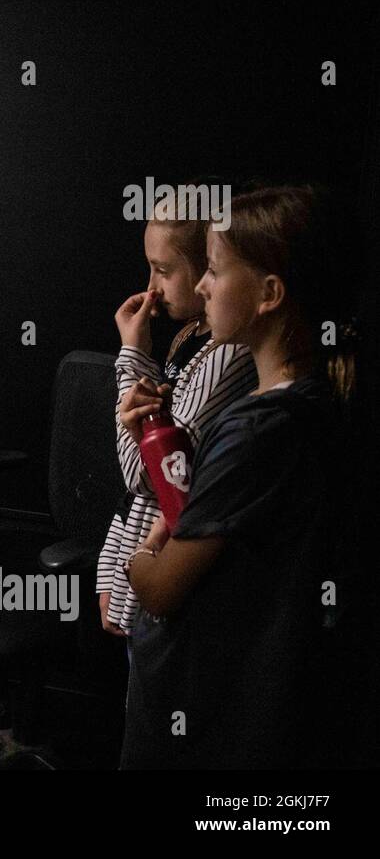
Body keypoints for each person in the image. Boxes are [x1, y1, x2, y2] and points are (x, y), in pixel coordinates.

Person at [122, 184, 362, 768]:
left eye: (218, 271)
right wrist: (159, 438)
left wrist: (139, 557)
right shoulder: (309, 402)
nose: (202, 284)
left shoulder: (257, 429)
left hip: (210, 711)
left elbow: (160, 587)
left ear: (269, 294)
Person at [99, 189, 255, 639]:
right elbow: (136, 495)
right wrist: (111, 566)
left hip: (168, 578)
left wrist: (131, 356)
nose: (150, 286)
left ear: (208, 264)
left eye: (164, 270)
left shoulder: (229, 353)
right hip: (140, 567)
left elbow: (146, 476)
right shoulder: (189, 333)